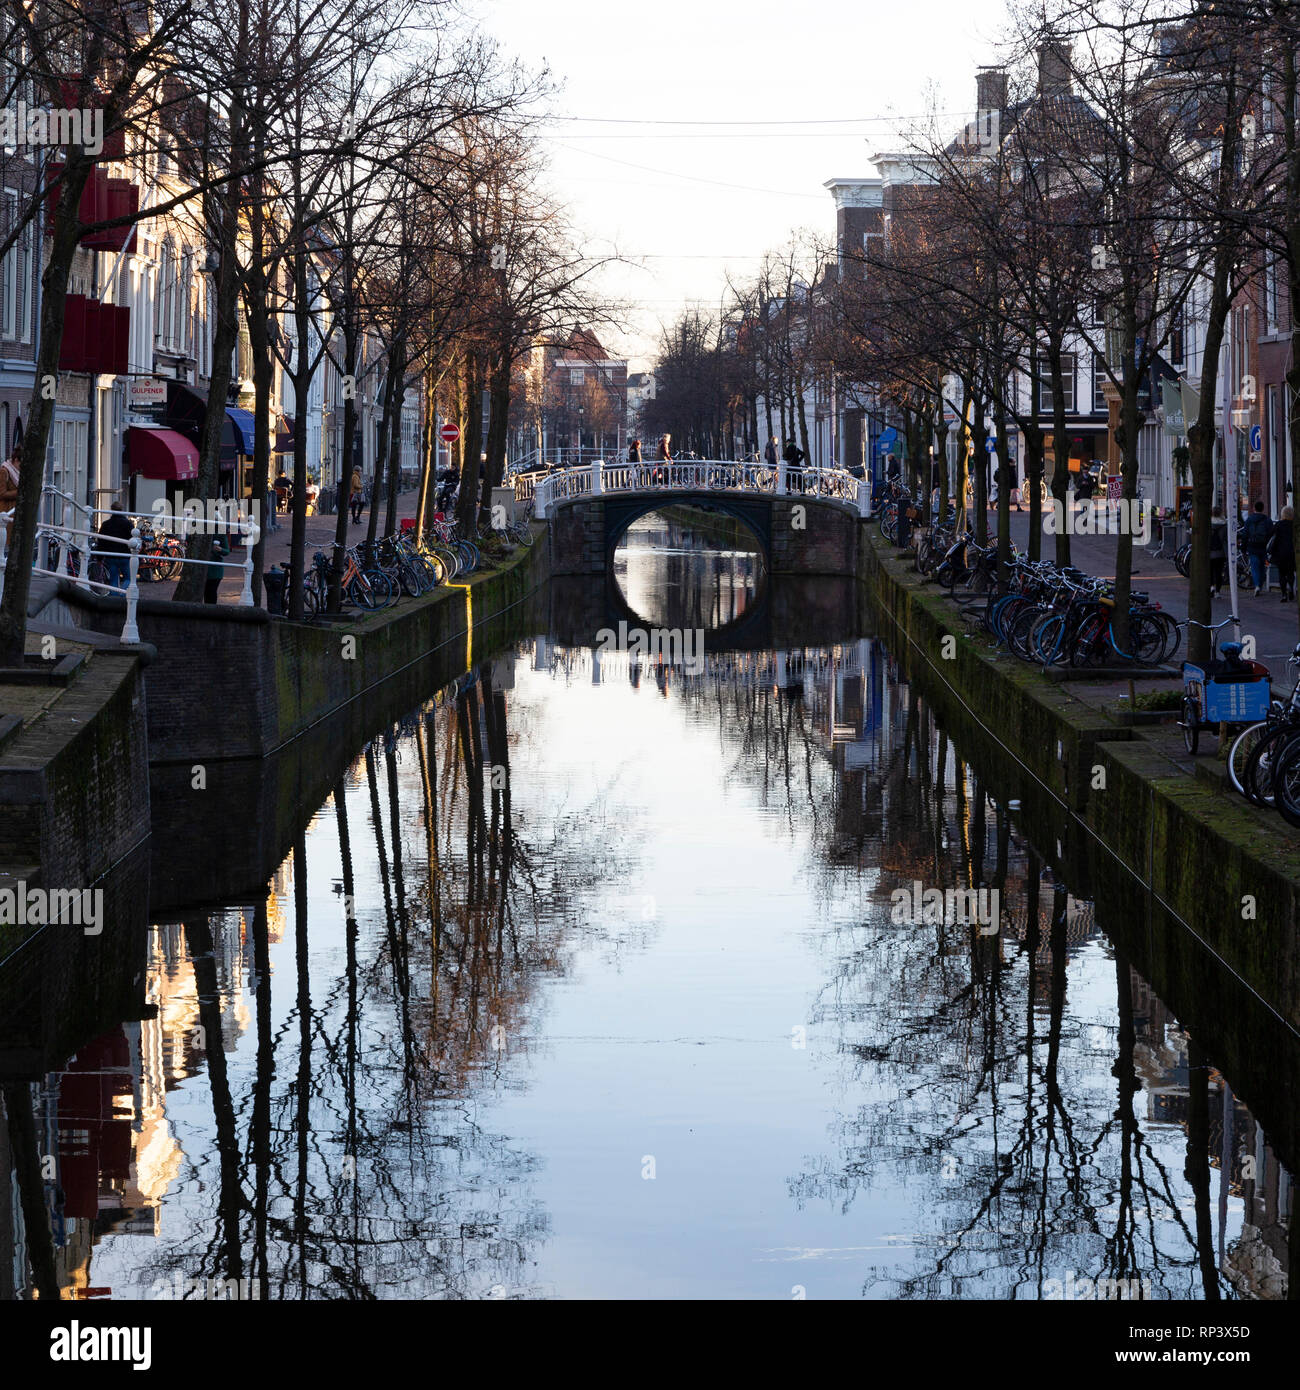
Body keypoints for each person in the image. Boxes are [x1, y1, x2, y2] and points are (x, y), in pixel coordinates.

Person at [93, 501, 134, 591]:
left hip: (111, 555)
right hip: (125, 555)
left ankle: (115, 598)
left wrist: (99, 558)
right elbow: (133, 539)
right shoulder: (128, 524)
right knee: (128, 578)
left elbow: (101, 541)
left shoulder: (106, 524)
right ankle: (122, 594)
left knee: (113, 580)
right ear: (121, 510)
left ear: (111, 510)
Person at [1243, 498, 1273, 596]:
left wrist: (1243, 547)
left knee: (1255, 567)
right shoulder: (1267, 520)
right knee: (1262, 566)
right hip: (1263, 546)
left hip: (1252, 546)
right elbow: (1271, 533)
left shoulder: (1249, 519)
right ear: (1263, 508)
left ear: (1254, 508)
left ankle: (1257, 586)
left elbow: (1245, 534)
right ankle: (1260, 584)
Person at [1269, 506, 1296, 602]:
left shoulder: (1279, 524)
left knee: (1281, 573)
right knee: (1290, 572)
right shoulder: (1294, 525)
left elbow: (1270, 534)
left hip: (1280, 552)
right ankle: (1292, 590)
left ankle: (1284, 594)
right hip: (1292, 552)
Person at [0, 447, 18, 548]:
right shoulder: (4, 471)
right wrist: (20, 492)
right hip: (6, 512)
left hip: (14, 513)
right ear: (15, 460)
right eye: (21, 463)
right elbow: (1, 493)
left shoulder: (16, 473)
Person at [1209, 504, 1228, 595]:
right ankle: (1217, 591)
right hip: (1221, 552)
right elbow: (1226, 539)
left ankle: (1211, 586)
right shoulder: (1224, 524)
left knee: (1210, 570)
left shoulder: (1208, 524)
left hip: (1210, 551)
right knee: (1219, 572)